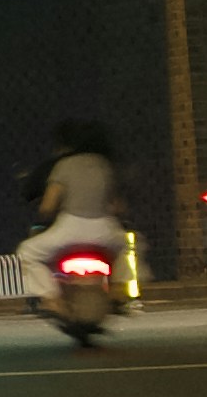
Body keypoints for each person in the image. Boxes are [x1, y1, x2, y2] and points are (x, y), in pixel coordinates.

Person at [16, 122, 129, 317]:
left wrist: (46, 212)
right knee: (126, 248)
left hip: (70, 227)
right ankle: (118, 293)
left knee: (27, 252)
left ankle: (52, 300)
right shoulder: (104, 165)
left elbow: (48, 206)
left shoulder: (64, 165)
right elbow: (117, 206)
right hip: (103, 230)